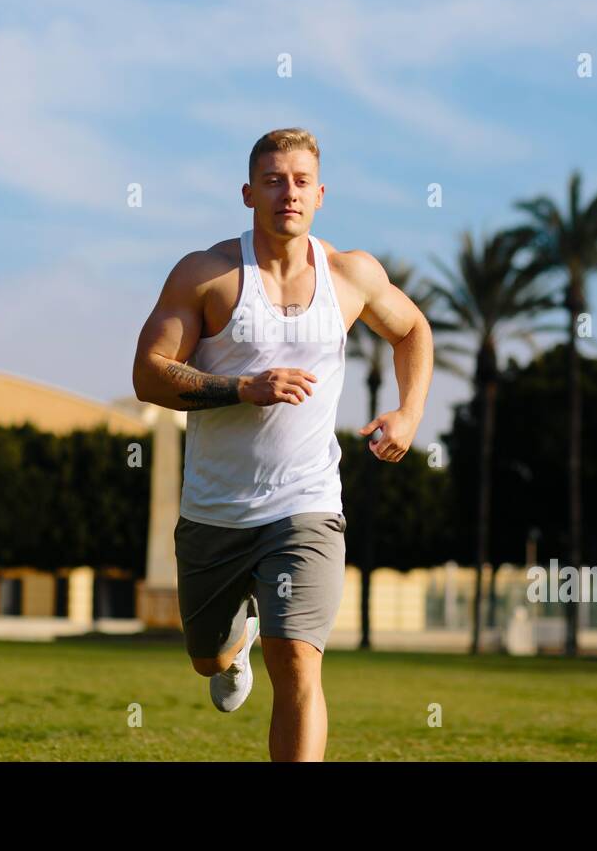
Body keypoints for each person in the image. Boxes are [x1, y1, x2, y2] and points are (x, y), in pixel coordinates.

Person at [132, 127, 433, 761]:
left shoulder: (351, 275)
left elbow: (412, 331)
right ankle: (230, 646)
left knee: (296, 659)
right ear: (248, 193)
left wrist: (409, 413)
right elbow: (149, 374)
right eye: (272, 181)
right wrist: (244, 388)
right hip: (215, 510)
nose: (287, 193)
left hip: (306, 505)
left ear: (320, 195)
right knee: (207, 658)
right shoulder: (207, 274)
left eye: (300, 182)